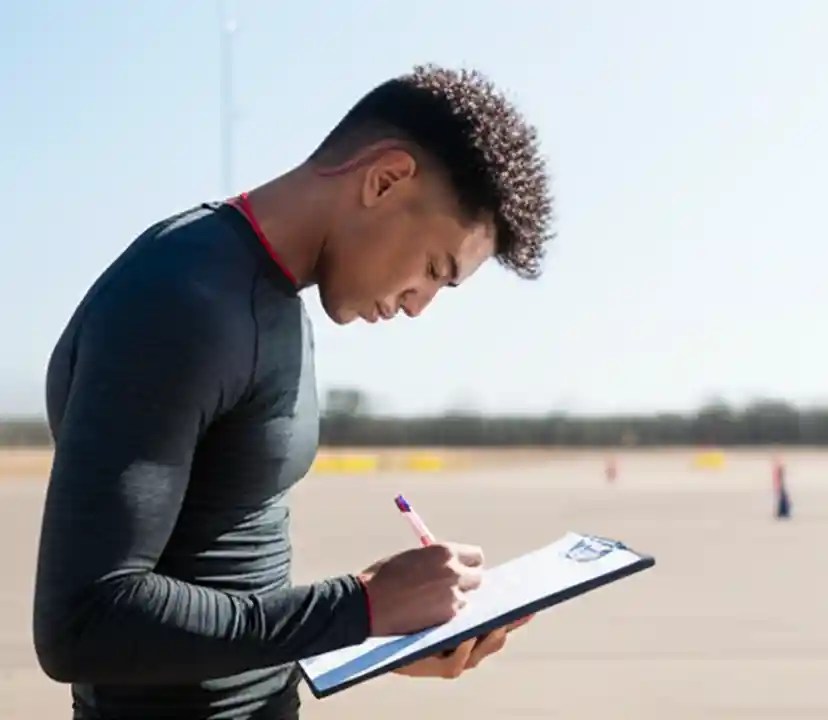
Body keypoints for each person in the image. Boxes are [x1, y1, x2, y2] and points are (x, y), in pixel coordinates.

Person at [31, 64, 555, 719]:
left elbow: (225, 591)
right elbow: (84, 624)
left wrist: (374, 629)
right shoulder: (181, 299)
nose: (420, 306)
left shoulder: (270, 298)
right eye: (434, 269)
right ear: (385, 179)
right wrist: (358, 605)